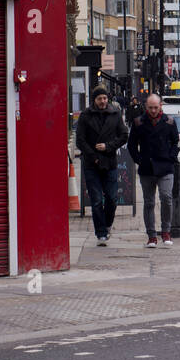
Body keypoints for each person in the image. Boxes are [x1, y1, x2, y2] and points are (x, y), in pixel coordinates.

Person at [75, 86, 129, 246]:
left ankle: (107, 224)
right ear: (94, 100)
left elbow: (124, 135)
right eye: (100, 99)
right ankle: (101, 233)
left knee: (112, 199)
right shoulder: (85, 115)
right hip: (91, 164)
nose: (103, 101)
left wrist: (108, 146)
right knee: (97, 200)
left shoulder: (115, 114)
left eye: (105, 98)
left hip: (110, 162)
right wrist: (93, 156)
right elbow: (80, 140)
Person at [127, 93, 180, 247]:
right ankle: (151, 236)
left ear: (160, 106)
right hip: (147, 168)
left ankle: (166, 232)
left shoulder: (169, 122)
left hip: (165, 167)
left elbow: (176, 143)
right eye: (150, 108)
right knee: (149, 202)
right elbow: (131, 145)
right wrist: (139, 160)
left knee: (166, 198)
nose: (153, 110)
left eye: (156, 107)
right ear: (146, 107)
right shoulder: (138, 122)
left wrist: (171, 157)